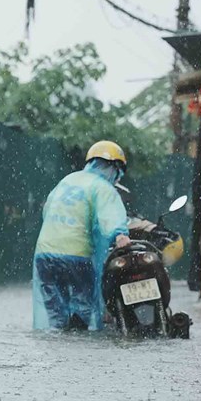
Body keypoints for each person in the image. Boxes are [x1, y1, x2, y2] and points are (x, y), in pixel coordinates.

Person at [32, 140, 131, 331]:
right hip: (76, 256)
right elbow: (110, 217)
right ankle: (77, 346)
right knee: (82, 307)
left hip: (44, 255)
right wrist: (121, 236)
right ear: (114, 168)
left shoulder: (67, 180)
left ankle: (58, 345)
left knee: (56, 316)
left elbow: (47, 211)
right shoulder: (102, 187)